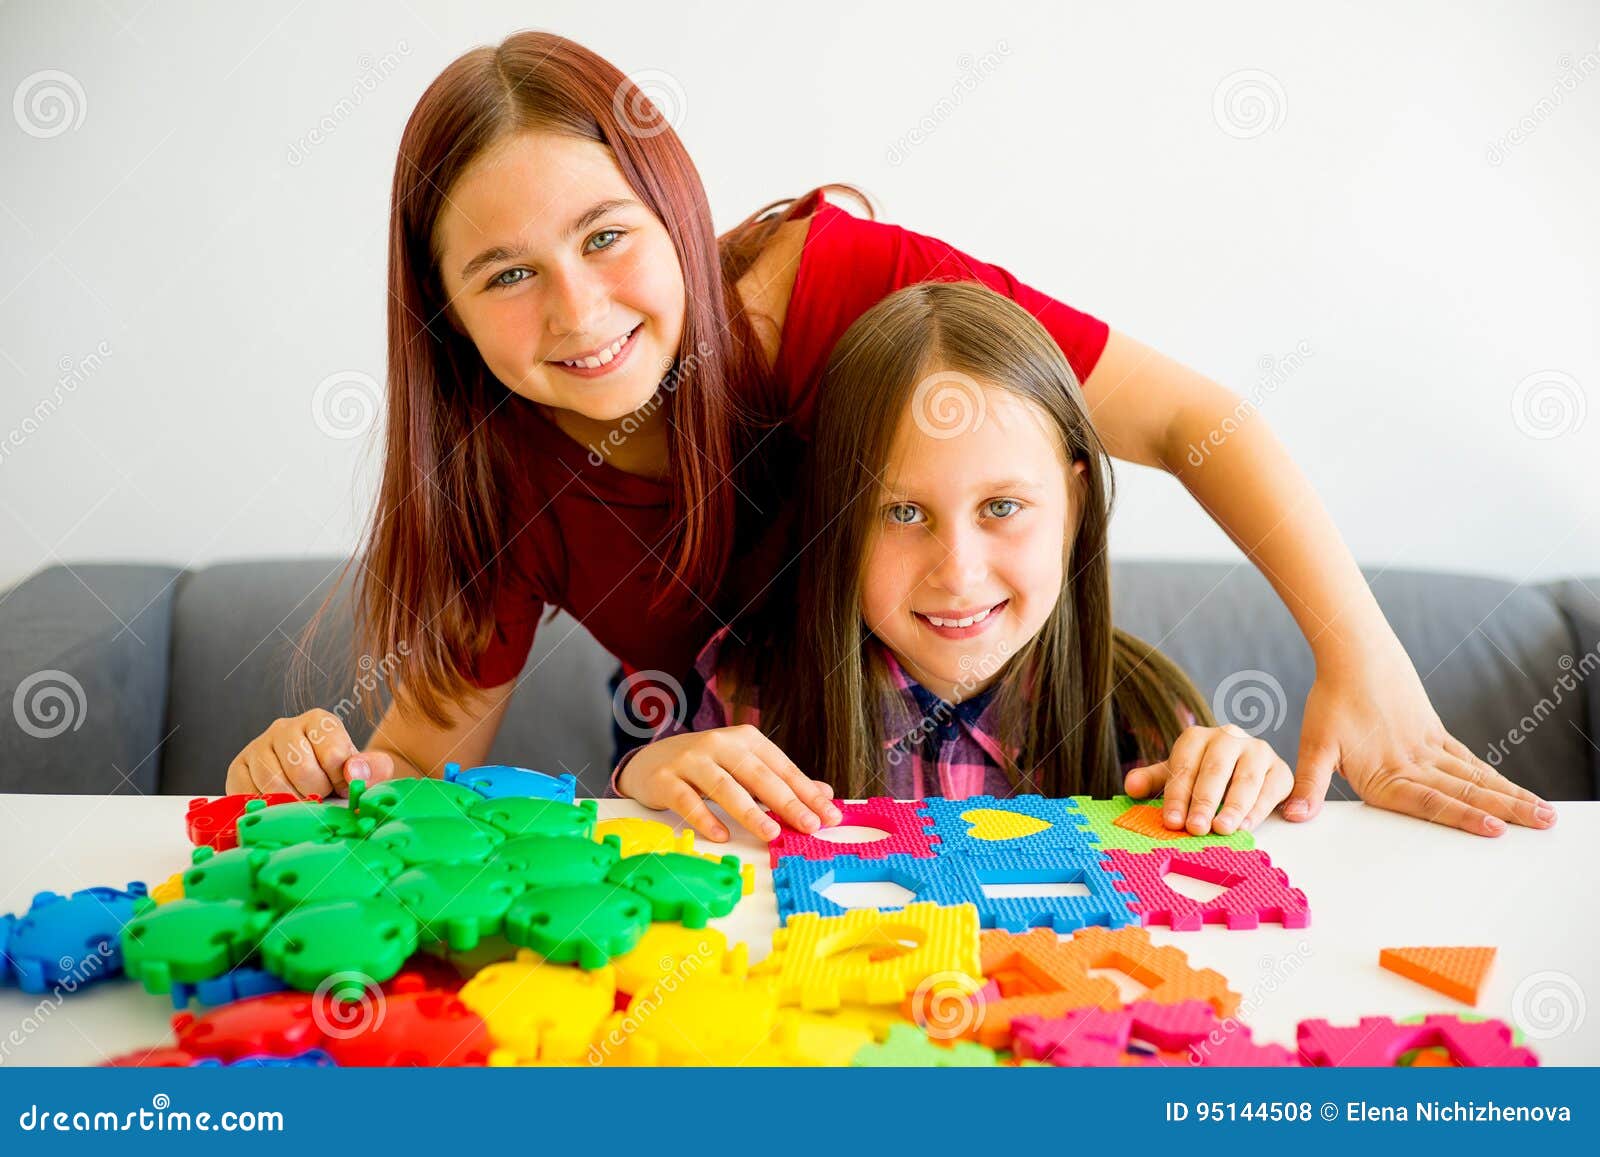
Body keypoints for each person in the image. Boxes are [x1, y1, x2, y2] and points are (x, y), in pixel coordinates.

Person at [226, 30, 1556, 842]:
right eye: (504, 275)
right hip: (789, 821)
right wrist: (315, 770)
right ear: (444, 316)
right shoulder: (498, 480)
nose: (580, 311)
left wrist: (1359, 660)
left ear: (675, 214)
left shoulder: (844, 293)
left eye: (607, 236)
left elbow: (1192, 419)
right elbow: (414, 780)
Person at [614, 282, 1296, 841]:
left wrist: (1235, 782)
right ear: (836, 523)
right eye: (903, 513)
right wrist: (642, 773)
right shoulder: (745, 694)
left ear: (1075, 502)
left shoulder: (1144, 715)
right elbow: (667, 851)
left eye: (1001, 507)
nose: (959, 572)